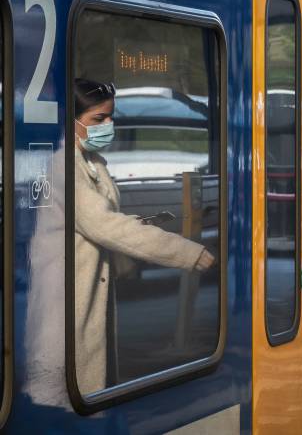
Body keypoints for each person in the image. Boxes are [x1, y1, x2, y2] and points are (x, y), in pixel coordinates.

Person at [70, 78, 216, 394]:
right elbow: (107, 226)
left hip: (94, 296)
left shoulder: (91, 159)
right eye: (98, 119)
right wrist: (187, 253)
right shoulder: (63, 167)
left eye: (111, 117)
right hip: (72, 307)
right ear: (71, 121)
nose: (108, 125)